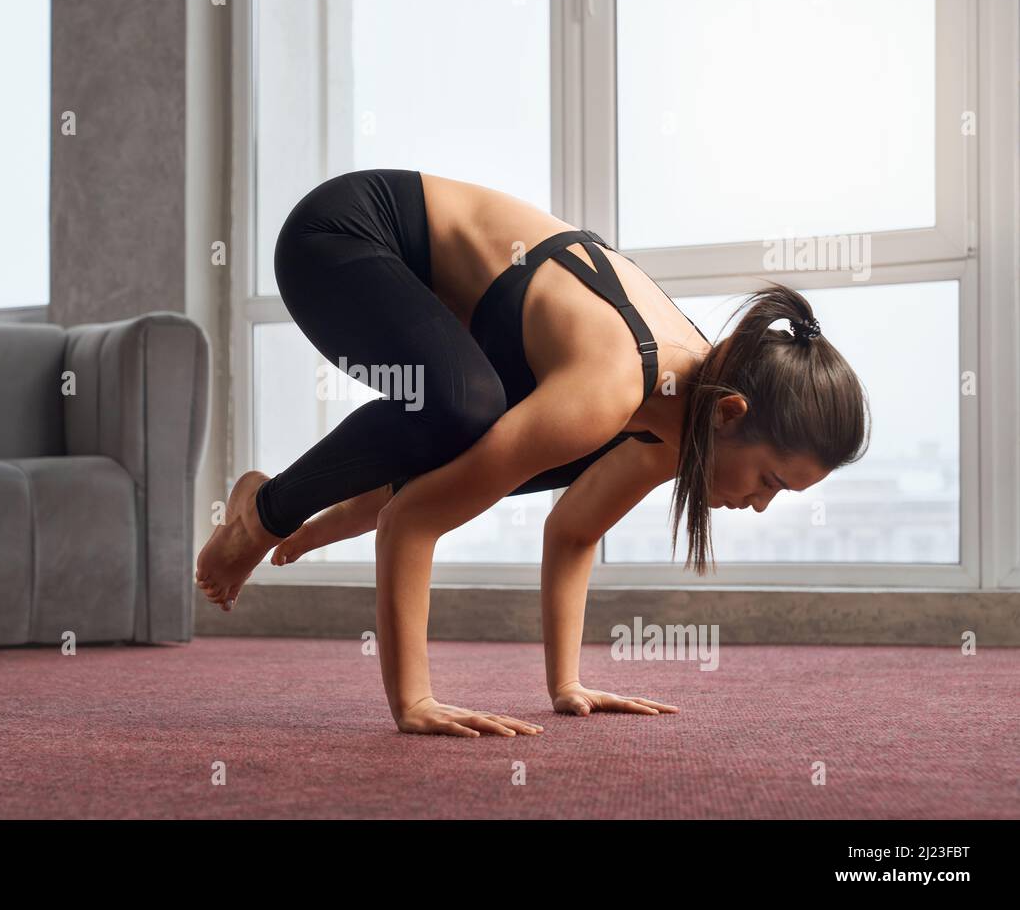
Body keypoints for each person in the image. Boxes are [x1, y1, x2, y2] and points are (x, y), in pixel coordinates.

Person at [195, 168, 870, 737]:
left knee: (477, 420)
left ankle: (269, 505)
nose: (758, 504)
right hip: (339, 236)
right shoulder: (609, 388)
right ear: (732, 414)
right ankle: (261, 512)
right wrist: (414, 700)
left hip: (428, 304)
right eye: (771, 481)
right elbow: (416, 517)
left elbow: (572, 530)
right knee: (465, 403)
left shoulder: (677, 419)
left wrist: (567, 682)